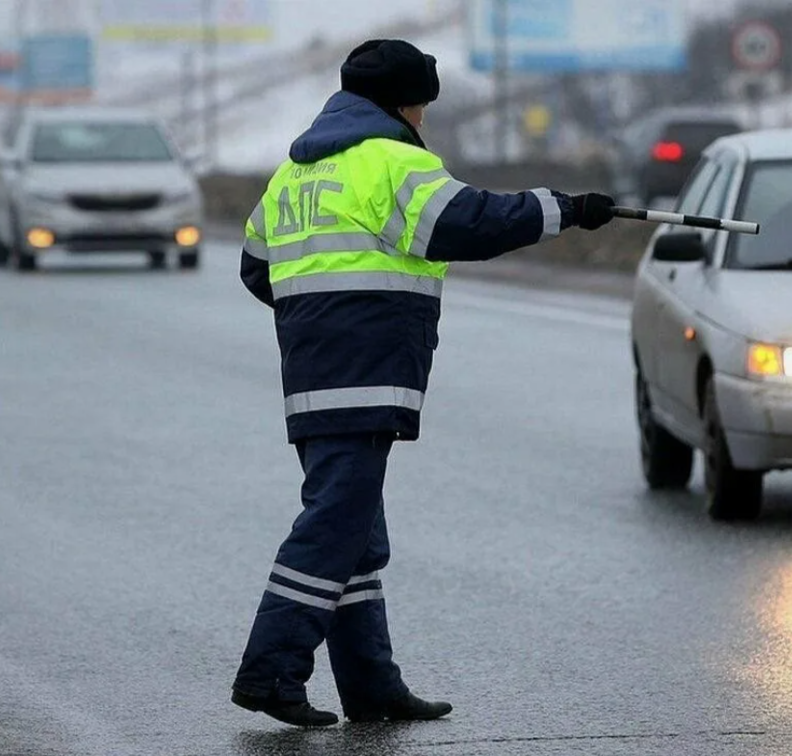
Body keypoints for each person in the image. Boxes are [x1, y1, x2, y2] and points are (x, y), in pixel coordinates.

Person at [231, 38, 615, 728]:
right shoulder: (393, 160)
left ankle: (373, 689)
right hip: (367, 368)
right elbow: (468, 221)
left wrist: (316, 315)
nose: (423, 118)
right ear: (405, 105)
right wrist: (565, 208)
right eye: (421, 106)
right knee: (334, 527)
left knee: (355, 534)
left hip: (313, 371)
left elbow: (257, 266)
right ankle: (271, 671)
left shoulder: (295, 171)